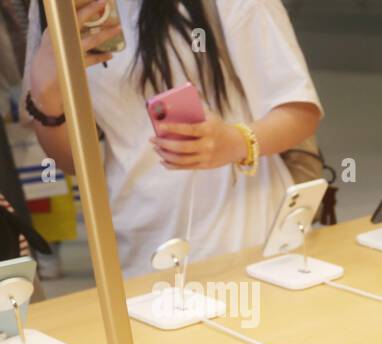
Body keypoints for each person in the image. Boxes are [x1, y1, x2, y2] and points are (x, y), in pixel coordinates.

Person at [22, 0, 322, 275]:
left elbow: (298, 108)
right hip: (138, 242)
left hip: (244, 232)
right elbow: (73, 161)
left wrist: (234, 142)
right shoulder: (52, 7)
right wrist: (46, 98)